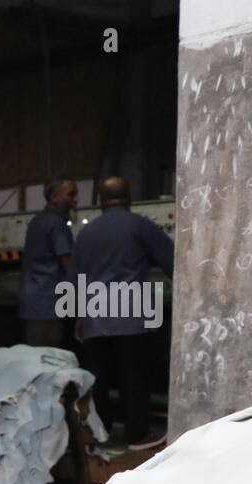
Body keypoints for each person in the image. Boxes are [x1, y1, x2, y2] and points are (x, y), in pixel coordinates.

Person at [73, 176, 174, 451]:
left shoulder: (86, 233)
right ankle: (136, 435)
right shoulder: (140, 226)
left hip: (95, 316)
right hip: (131, 315)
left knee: (99, 378)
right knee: (134, 375)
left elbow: (76, 277)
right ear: (129, 197)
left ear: (100, 201)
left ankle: (101, 432)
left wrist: (80, 318)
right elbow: (172, 262)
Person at [19, 178, 78, 347]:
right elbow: (68, 263)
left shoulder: (37, 220)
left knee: (36, 354)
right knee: (49, 355)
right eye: (71, 194)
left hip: (33, 300)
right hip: (47, 301)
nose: (76, 199)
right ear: (54, 197)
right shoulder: (57, 223)